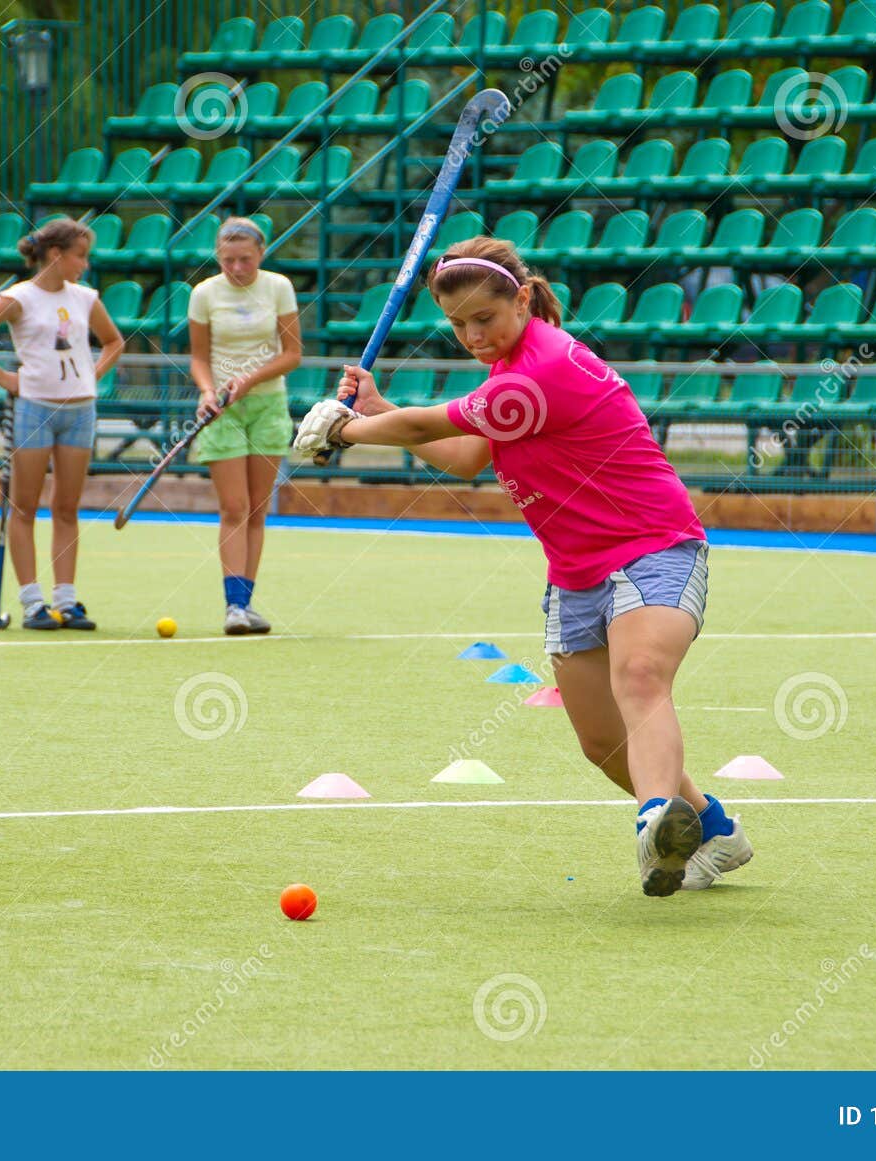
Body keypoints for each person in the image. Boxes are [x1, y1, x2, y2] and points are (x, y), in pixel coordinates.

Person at [294, 237, 753, 897]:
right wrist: (375, 410)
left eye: (485, 318)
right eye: (458, 326)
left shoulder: (543, 368)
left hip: (652, 545)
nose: (474, 335)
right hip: (574, 571)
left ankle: (655, 821)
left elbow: (431, 428)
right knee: (601, 741)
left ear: (522, 297)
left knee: (641, 675)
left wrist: (342, 430)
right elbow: (464, 456)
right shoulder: (505, 374)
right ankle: (711, 828)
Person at [0, 217, 124, 630]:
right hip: (34, 409)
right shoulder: (18, 298)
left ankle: (66, 600)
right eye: (80, 257)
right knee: (24, 507)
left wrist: (91, 374)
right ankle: (32, 602)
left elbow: (114, 341)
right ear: (55, 254)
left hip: (80, 411)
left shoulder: (85, 298)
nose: (85, 265)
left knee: (66, 507)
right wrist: (6, 379)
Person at [187, 217, 302, 635]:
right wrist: (206, 391)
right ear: (219, 256)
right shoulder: (203, 294)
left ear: (262, 253)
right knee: (233, 507)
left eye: (245, 260)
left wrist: (249, 380)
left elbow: (292, 354)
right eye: (228, 260)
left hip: (269, 405)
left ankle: (247, 602)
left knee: (256, 508)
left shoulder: (278, 287)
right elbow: (199, 357)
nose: (236, 269)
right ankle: (233, 606)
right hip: (222, 410)